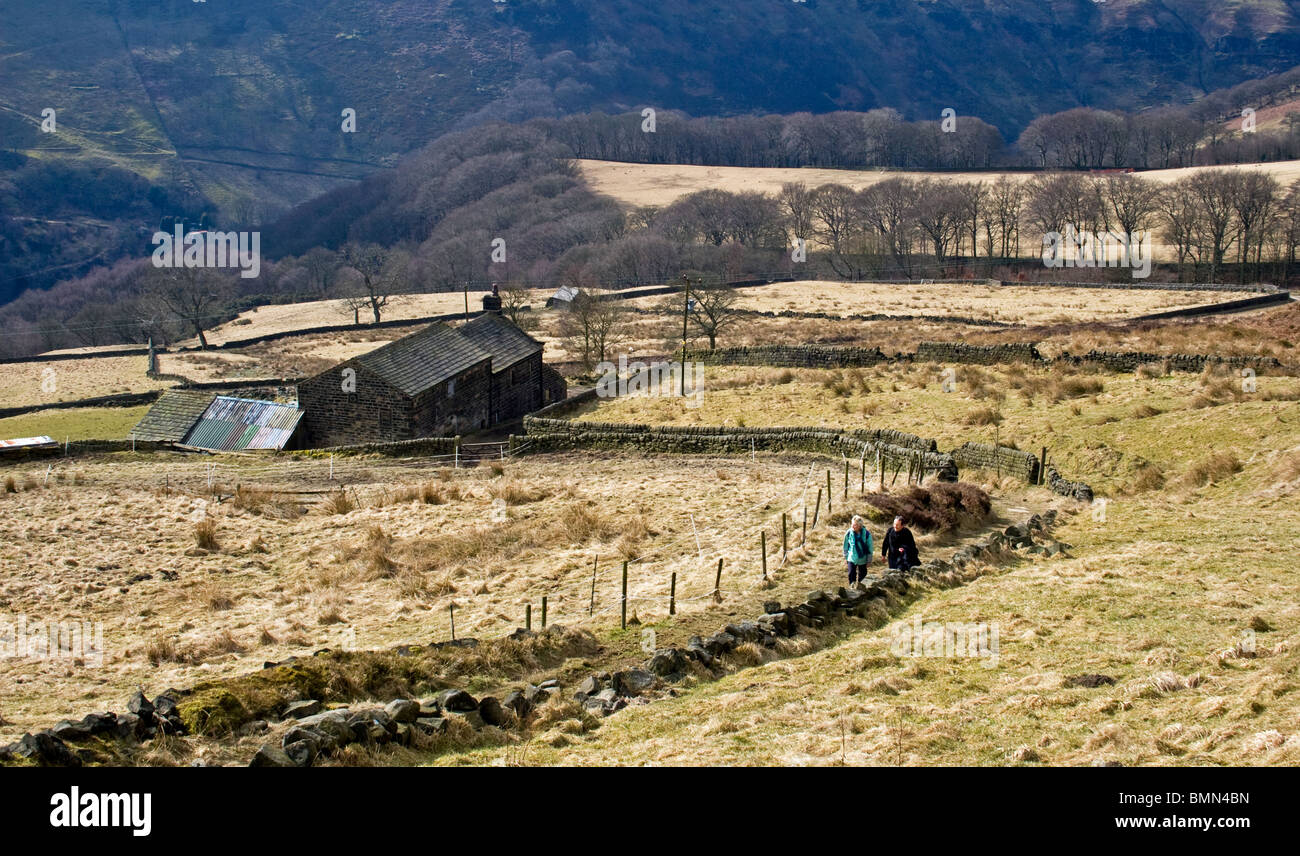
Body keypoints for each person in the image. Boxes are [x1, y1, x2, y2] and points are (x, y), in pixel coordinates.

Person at [842, 515, 873, 585]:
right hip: (851, 557)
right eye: (852, 524)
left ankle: (861, 590)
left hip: (863, 559)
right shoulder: (849, 533)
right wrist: (846, 556)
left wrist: (869, 560)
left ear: (860, 526)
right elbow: (845, 545)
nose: (852, 526)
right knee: (851, 574)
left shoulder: (866, 534)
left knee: (862, 576)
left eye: (855, 525)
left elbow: (870, 547)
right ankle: (852, 588)